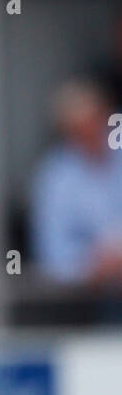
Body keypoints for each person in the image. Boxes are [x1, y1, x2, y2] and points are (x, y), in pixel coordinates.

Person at [30, 78, 122, 307]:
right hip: (90, 304)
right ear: (68, 131)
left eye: (97, 121)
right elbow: (53, 257)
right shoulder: (54, 178)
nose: (93, 132)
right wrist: (94, 266)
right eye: (82, 128)